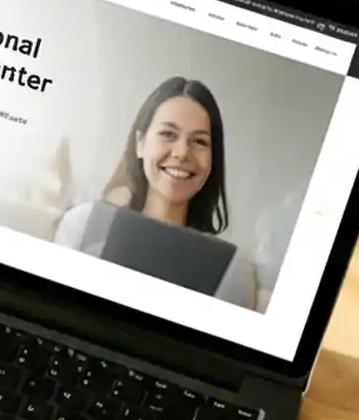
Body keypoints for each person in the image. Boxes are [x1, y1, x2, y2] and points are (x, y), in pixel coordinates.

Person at [54, 76, 256, 308]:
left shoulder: (232, 273)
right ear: (140, 143)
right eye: (168, 134)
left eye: (199, 141)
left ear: (212, 160)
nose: (182, 153)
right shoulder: (83, 227)